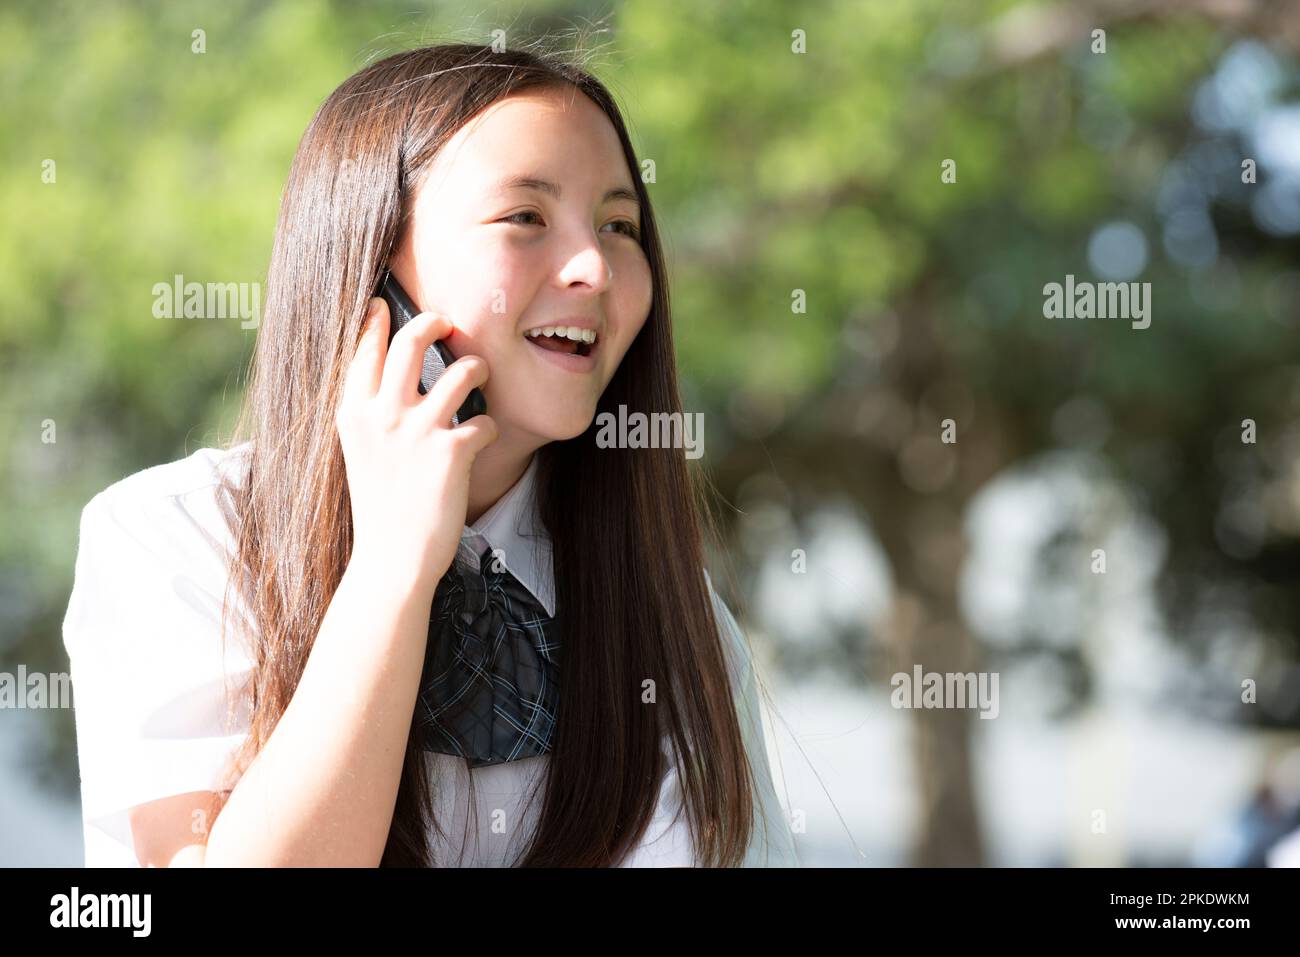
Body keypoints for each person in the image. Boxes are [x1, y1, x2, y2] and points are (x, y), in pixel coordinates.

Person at [61, 42, 798, 868]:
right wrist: (395, 564)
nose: (594, 267)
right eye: (526, 216)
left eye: (619, 226)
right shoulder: (176, 538)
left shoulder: (669, 609)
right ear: (373, 266)